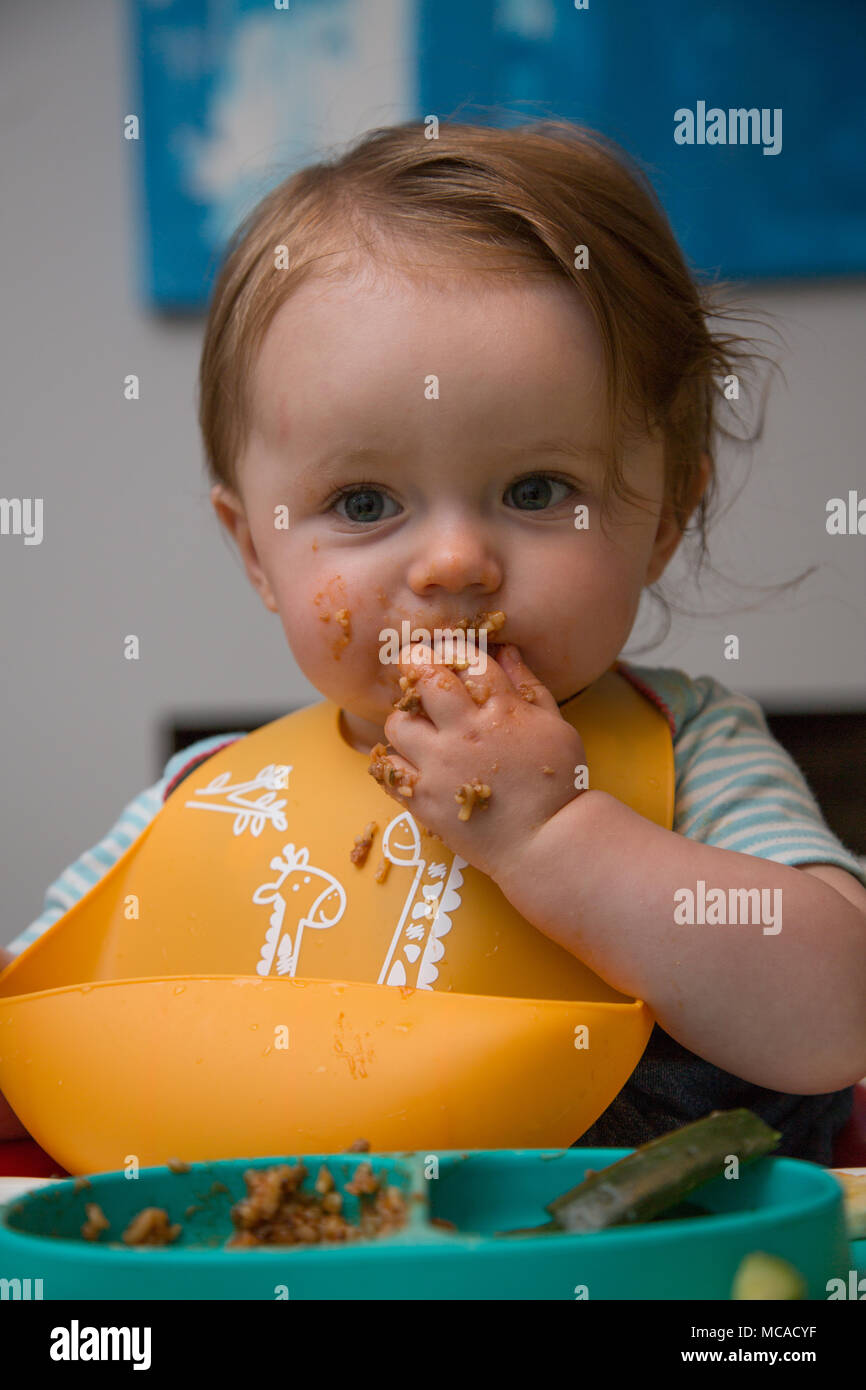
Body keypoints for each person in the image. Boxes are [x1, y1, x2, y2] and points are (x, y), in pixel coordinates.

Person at [3, 120, 865, 1161]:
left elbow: (833, 1014)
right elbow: (39, 1019)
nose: (454, 561)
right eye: (363, 500)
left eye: (536, 489)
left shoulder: (691, 752)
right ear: (256, 551)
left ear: (662, 518)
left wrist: (557, 840)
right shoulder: (210, 798)